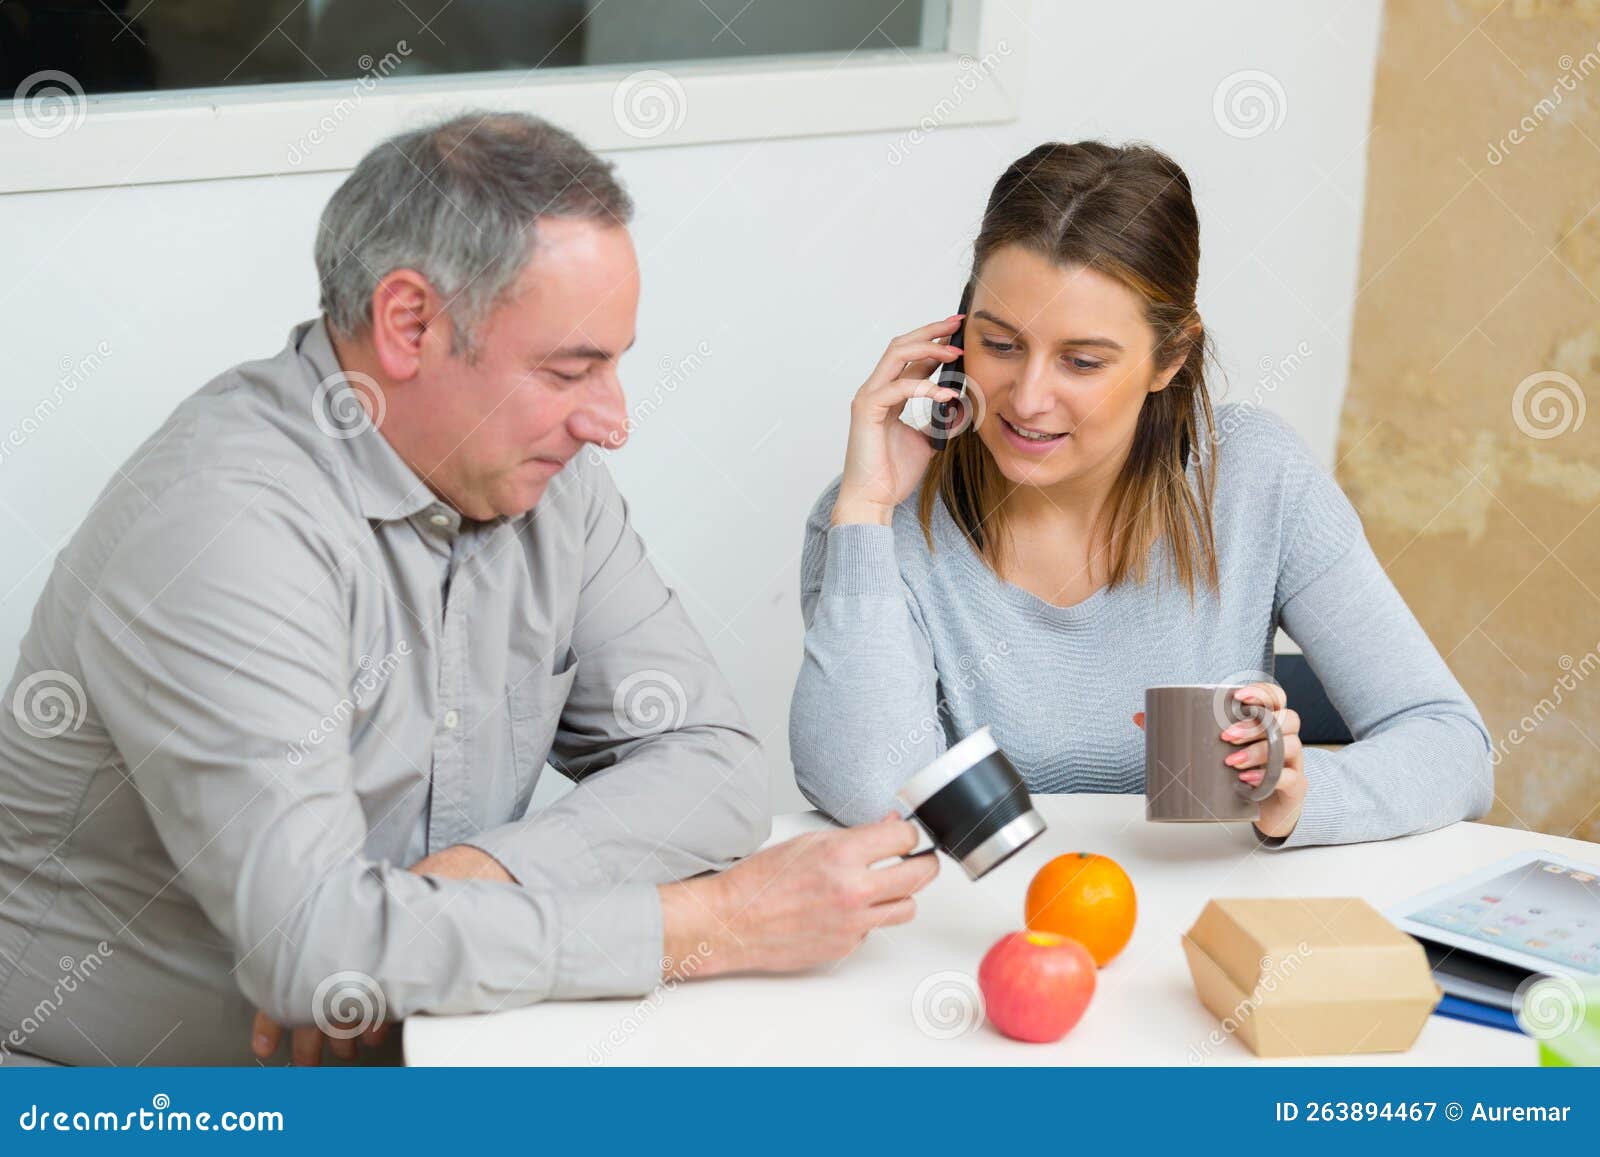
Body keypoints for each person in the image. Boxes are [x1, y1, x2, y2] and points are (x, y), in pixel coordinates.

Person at [0, 112, 936, 1067]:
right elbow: (315, 956)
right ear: (411, 324)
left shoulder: (549, 483)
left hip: (428, 1052)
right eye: (570, 369)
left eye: (615, 363)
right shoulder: (223, 526)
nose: (611, 422)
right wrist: (711, 923)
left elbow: (712, 763)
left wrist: (468, 882)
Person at [790, 140, 1492, 848]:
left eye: (1082, 361)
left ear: (1171, 357)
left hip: (1204, 918)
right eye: (1000, 344)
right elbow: (871, 790)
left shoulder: (1253, 476)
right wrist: (865, 509)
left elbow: (1451, 744)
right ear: (955, 337)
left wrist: (1302, 796)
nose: (1028, 399)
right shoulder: (875, 521)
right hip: (984, 933)